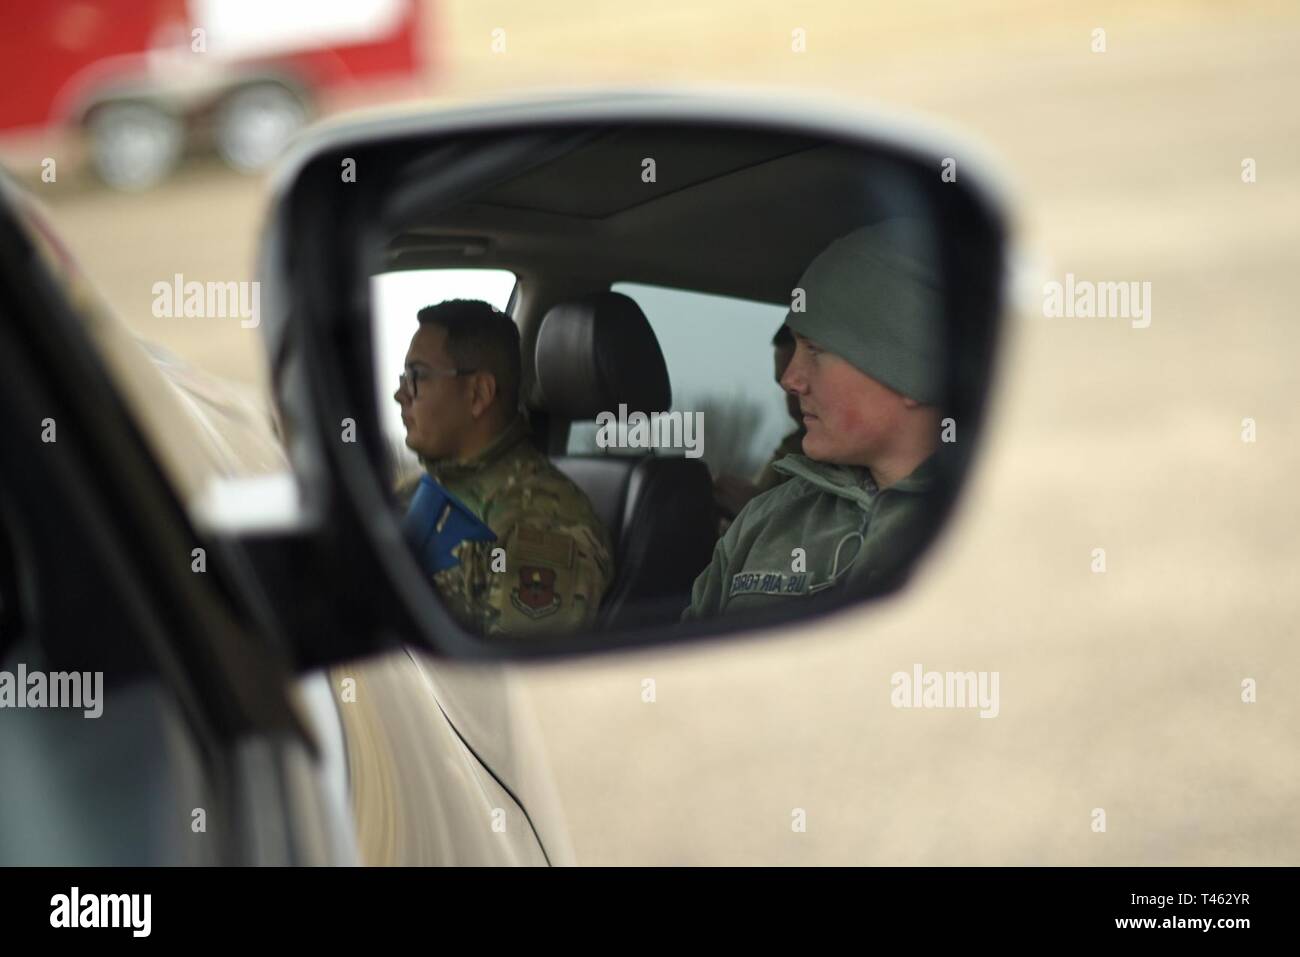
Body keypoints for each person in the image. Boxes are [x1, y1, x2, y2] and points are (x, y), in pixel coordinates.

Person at [683, 219, 945, 620]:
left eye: (816, 350)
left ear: (910, 370)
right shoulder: (765, 521)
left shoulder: (991, 526)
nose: (790, 379)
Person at [393, 299, 613, 637]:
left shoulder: (543, 523)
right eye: (404, 376)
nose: (400, 394)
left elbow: (520, 679)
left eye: (417, 377)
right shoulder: (415, 493)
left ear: (478, 394)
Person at [712, 324, 807, 520]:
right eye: (785, 389)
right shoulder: (793, 449)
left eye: (801, 385)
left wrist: (757, 513)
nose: (792, 406)